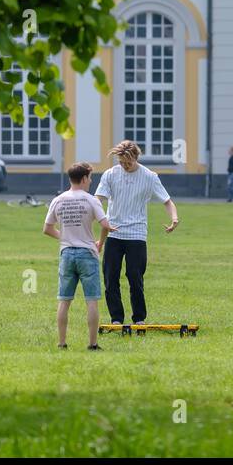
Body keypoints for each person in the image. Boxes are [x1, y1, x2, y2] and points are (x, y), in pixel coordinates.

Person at [94, 140, 178, 327]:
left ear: (136, 158)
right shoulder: (110, 174)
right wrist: (95, 215)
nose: (125, 165)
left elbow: (167, 201)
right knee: (110, 278)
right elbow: (98, 199)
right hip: (114, 233)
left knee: (135, 277)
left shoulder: (149, 176)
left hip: (137, 234)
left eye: (128, 163)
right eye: (121, 162)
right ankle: (116, 318)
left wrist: (174, 218)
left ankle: (139, 318)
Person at [42, 162, 111, 350]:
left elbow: (47, 229)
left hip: (66, 254)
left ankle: (62, 342)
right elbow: (105, 225)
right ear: (83, 179)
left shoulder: (58, 200)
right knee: (91, 300)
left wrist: (64, 237)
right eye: (90, 178)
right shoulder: (91, 200)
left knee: (64, 300)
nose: (91, 181)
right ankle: (92, 344)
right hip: (87, 253)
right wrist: (100, 244)